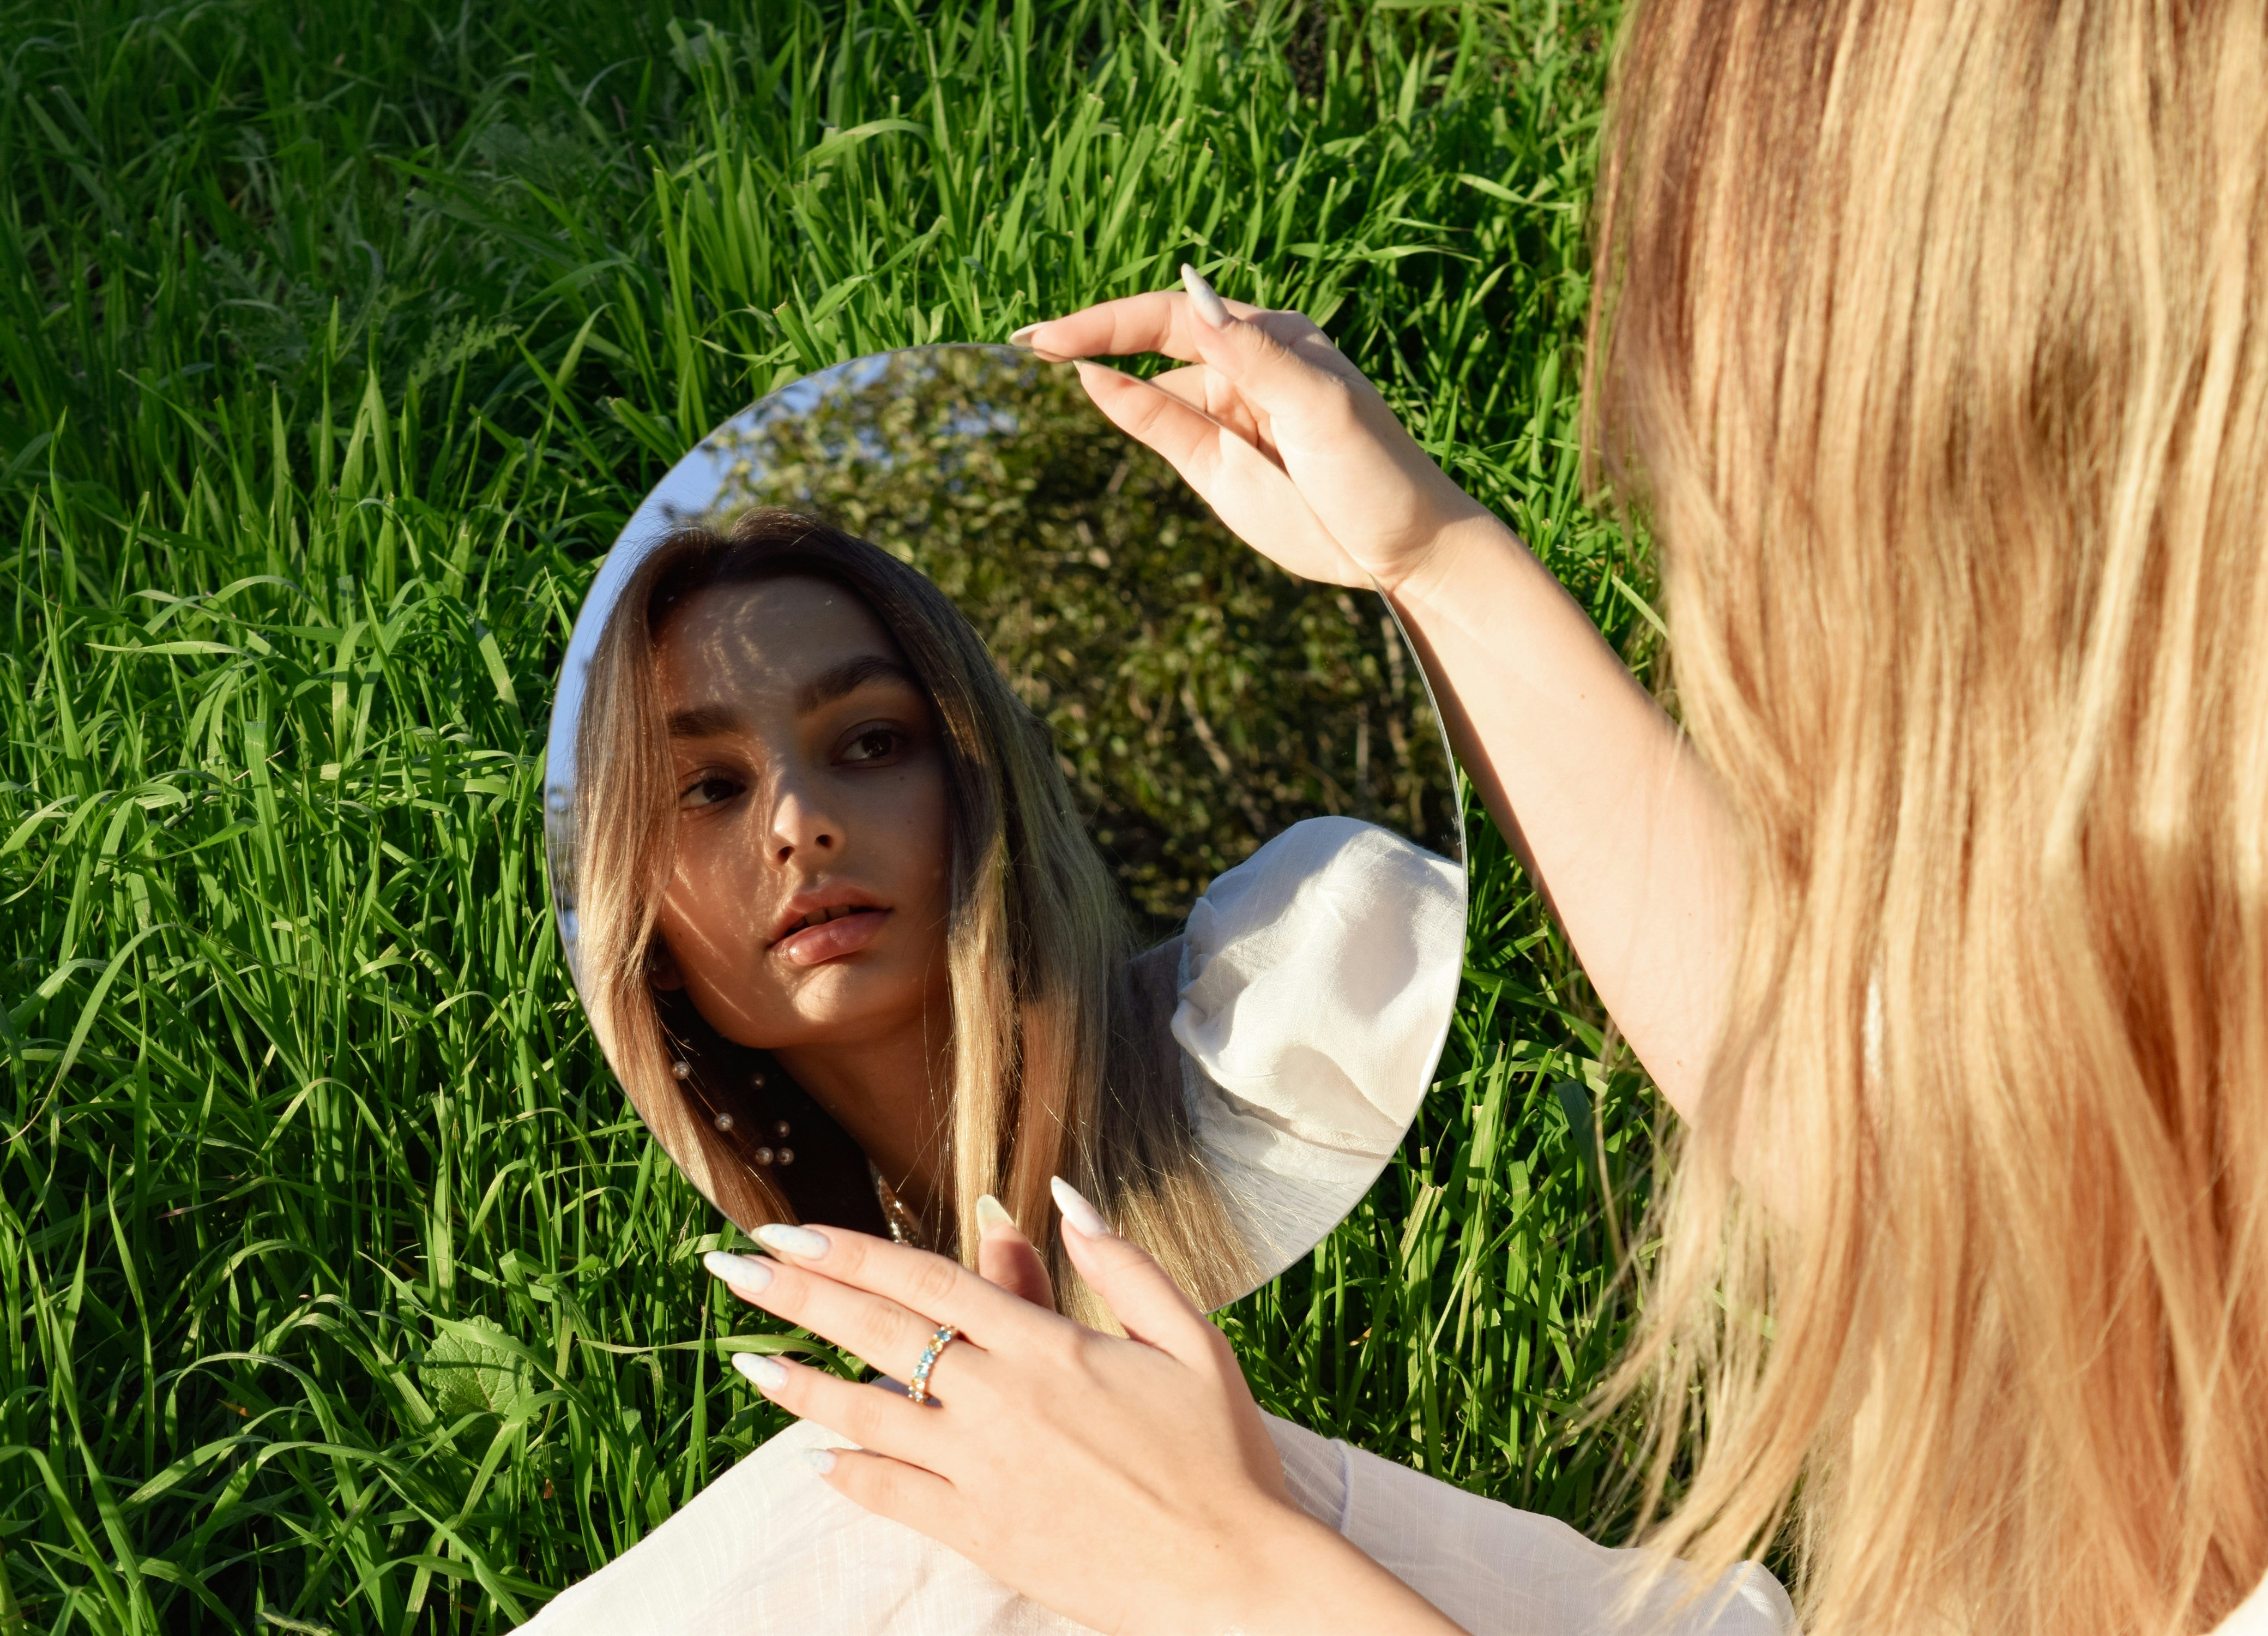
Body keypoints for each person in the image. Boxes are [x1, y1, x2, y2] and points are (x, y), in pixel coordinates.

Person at [688, 3, 2268, 1634]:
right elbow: (1943, 1151)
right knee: (912, 1517)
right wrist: (1431, 560)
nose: (1670, 490)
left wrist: (1232, 1579)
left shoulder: (1273, 1020)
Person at [531, 518, 1792, 1632]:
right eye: (707, 787)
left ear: (979, 787)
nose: (796, 821)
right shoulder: (841, 1227)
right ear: (633, 910)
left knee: (909, 1483)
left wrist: (1224, 1572)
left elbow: (1807, 1093)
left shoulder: (1284, 1007)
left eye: (869, 741)